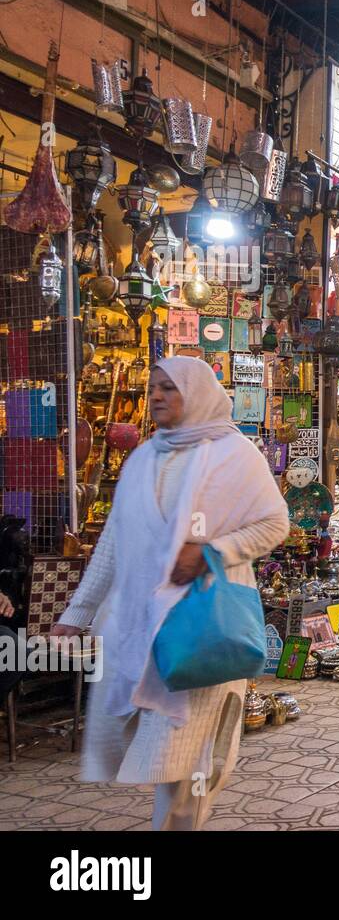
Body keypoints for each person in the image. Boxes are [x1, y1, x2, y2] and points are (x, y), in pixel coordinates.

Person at [50, 356, 289, 831]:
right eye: (153, 387)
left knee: (193, 761)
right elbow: (115, 542)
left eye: (169, 388)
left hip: (203, 628)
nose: (156, 396)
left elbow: (275, 524)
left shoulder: (235, 455)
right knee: (167, 758)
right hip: (141, 629)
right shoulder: (143, 458)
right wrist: (75, 613)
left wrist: (213, 550)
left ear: (197, 394)